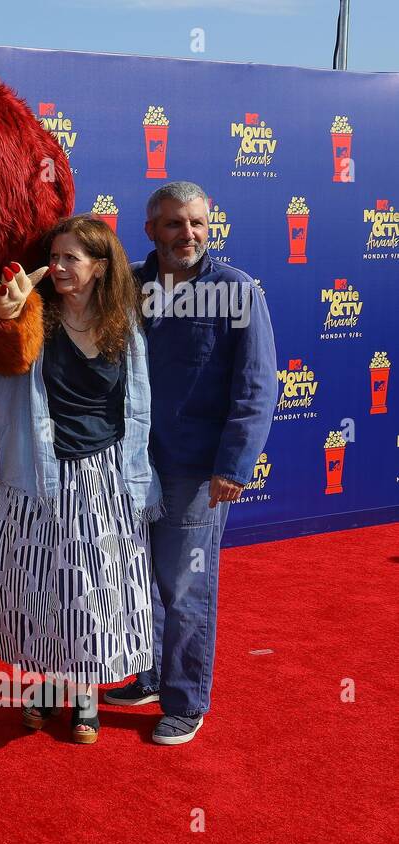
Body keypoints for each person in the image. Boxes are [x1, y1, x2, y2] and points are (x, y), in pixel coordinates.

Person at [0, 215, 161, 744]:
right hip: (37, 473)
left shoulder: (124, 325)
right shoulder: (35, 317)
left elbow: (135, 403)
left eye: (70, 258)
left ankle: (85, 698)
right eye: (53, 257)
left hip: (104, 478)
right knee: (40, 586)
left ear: (99, 266)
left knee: (89, 591)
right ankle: (50, 686)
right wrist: (7, 312)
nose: (57, 267)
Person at [104, 182, 277, 745]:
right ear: (151, 229)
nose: (189, 234)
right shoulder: (128, 285)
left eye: (198, 223)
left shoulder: (236, 291)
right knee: (139, 580)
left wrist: (234, 464)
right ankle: (152, 675)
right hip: (129, 463)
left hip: (195, 469)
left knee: (185, 587)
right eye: (175, 223)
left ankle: (185, 701)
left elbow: (256, 385)